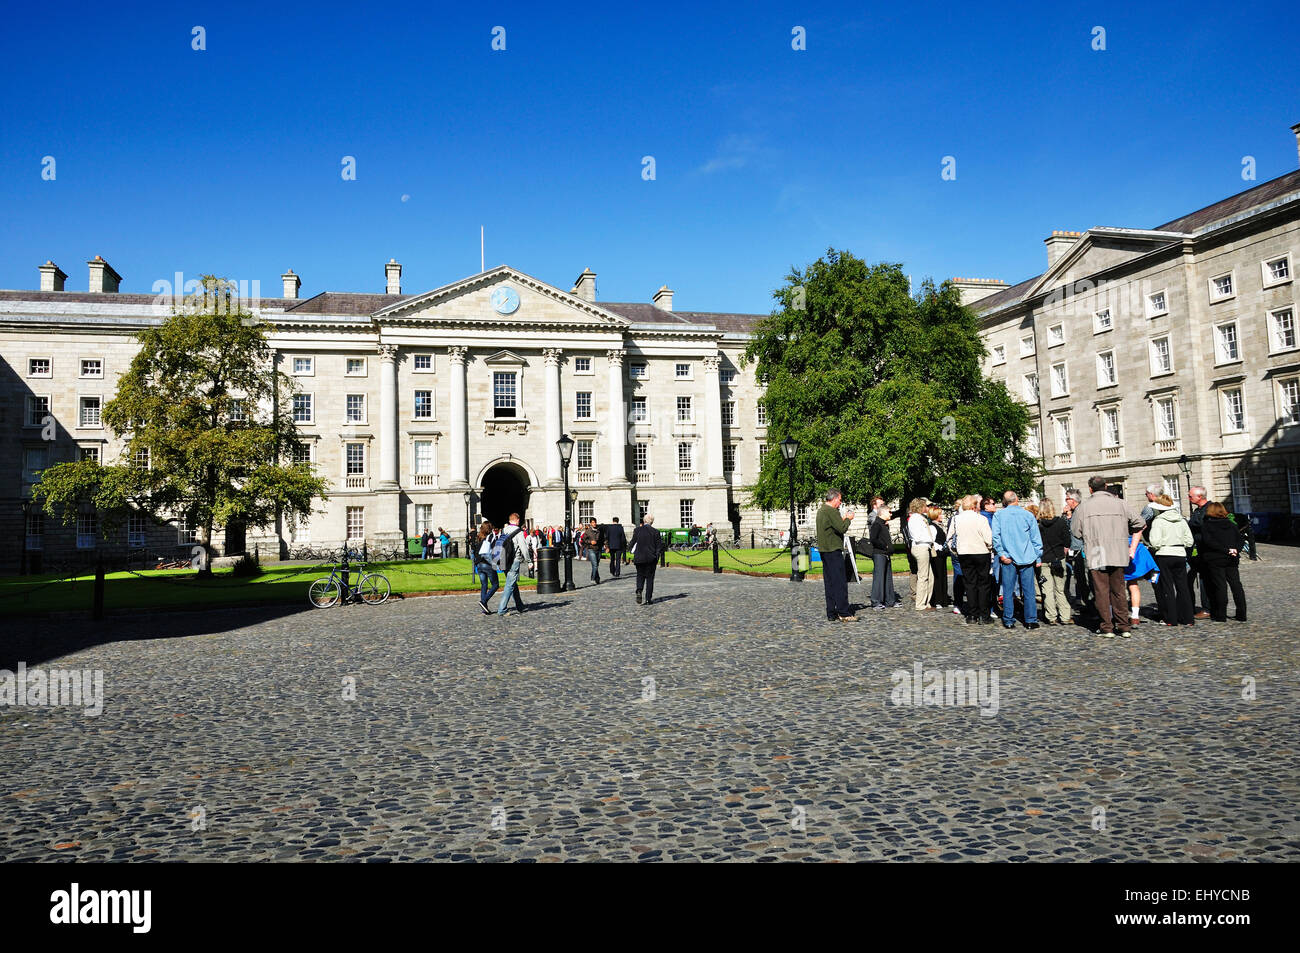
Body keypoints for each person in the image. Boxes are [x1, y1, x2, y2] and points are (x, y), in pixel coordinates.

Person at [1070, 476, 1144, 638]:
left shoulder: (1084, 507)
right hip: (1117, 549)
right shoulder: (1121, 503)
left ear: (1090, 489)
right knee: (1118, 589)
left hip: (1096, 550)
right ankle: (1124, 626)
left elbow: (1075, 532)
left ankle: (1107, 626)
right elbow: (1140, 523)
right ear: (1106, 486)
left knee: (1101, 590)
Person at [991, 491, 1043, 629]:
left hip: (1008, 558)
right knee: (1029, 591)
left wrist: (1001, 554)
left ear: (1004, 501)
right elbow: (1035, 539)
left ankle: (1008, 620)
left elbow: (996, 536)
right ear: (1017, 499)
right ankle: (1031, 620)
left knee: (1008, 591)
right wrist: (1038, 556)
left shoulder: (999, 515)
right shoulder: (1027, 515)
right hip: (1026, 557)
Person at [1146, 493, 1195, 627]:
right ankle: (1188, 618)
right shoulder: (1181, 519)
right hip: (1180, 554)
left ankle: (1171, 619)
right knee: (1183, 587)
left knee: (1167, 588)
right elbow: (1189, 541)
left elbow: (1155, 541)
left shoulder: (1158, 521)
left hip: (1164, 554)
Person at [1200, 502, 1247, 622]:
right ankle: (1241, 614)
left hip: (1216, 558)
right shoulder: (1231, 524)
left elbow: (1208, 542)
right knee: (1236, 585)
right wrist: (1235, 550)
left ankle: (1221, 615)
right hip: (1232, 558)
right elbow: (1240, 540)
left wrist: (1226, 550)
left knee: (1220, 586)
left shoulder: (1207, 525)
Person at [816, 489, 857, 622]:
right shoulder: (831, 511)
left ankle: (831, 612)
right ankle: (843, 612)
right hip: (833, 549)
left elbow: (833, 526)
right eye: (839, 499)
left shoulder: (822, 510)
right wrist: (849, 519)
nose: (840, 502)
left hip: (825, 550)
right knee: (839, 582)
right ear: (834, 499)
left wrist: (843, 518)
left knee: (830, 582)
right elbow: (841, 528)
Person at [953, 496, 994, 625]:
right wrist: (990, 548)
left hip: (964, 553)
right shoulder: (981, 519)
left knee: (970, 584)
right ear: (974, 505)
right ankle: (984, 614)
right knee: (983, 584)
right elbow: (988, 538)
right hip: (981, 552)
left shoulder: (957, 519)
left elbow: (952, 536)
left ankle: (972, 615)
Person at [1036, 498, 1071, 626]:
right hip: (1058, 558)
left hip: (1043, 559)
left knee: (1047, 590)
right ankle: (1065, 616)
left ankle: (1051, 617)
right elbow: (1067, 541)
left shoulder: (1037, 524)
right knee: (1060, 590)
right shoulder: (1061, 522)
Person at [496, 513, 528, 616]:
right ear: (517, 520)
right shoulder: (519, 532)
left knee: (512, 583)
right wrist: (529, 561)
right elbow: (523, 547)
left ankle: (520, 606)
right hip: (514, 559)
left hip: (504, 559)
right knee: (510, 585)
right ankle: (502, 609)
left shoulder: (504, 530)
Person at [906, 499, 936, 611]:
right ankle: (920, 604)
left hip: (925, 547)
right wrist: (931, 538)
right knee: (923, 576)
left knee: (930, 576)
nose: (927, 508)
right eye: (925, 506)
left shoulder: (920, 518)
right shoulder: (915, 519)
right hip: (920, 547)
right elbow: (917, 537)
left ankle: (926, 601)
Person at [1186, 485, 1210, 618]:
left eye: (1190, 496)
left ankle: (1207, 608)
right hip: (1195, 550)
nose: (1188, 498)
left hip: (1206, 550)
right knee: (1191, 579)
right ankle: (1191, 606)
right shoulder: (1197, 510)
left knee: (1205, 580)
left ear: (1199, 497)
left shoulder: (1210, 509)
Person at [1124, 533, 1158, 625]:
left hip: (1120, 545)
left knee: (1116, 585)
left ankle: (1118, 615)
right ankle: (1135, 616)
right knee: (1133, 584)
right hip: (1136, 546)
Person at [631, 513, 663, 605]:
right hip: (650, 558)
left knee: (640, 575)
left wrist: (631, 551)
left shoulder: (637, 530)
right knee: (650, 579)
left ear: (644, 521)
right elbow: (658, 547)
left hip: (639, 557)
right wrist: (656, 557)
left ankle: (639, 590)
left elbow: (633, 542)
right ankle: (648, 599)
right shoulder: (655, 532)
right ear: (652, 522)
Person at [868, 505, 897, 609]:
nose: (891, 514)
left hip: (886, 554)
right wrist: (884, 546)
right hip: (879, 553)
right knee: (879, 578)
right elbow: (873, 539)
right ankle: (876, 601)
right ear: (883, 513)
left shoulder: (883, 524)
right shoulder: (877, 524)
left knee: (888, 578)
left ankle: (890, 601)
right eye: (889, 512)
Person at [926, 505, 951, 608]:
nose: (941, 516)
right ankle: (937, 600)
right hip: (936, 554)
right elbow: (932, 540)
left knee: (943, 576)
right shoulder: (932, 526)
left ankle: (944, 599)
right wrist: (940, 547)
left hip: (942, 554)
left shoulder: (940, 525)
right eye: (940, 514)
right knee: (937, 577)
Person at [473, 522, 499, 613]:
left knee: (484, 585)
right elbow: (493, 552)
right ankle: (484, 601)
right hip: (487, 563)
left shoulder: (479, 538)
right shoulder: (491, 538)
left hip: (479, 564)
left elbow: (475, 552)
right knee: (495, 585)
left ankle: (484, 608)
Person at [947, 502, 965, 616]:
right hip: (960, 552)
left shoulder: (954, 519)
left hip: (959, 551)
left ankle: (958, 603)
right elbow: (949, 537)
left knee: (960, 577)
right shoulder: (955, 519)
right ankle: (958, 603)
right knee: (960, 577)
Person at [584, 518, 605, 584]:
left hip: (598, 549)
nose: (594, 523)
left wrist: (606, 545)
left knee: (596, 565)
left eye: (595, 522)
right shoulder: (587, 531)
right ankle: (592, 579)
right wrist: (590, 542)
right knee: (595, 565)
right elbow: (584, 540)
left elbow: (603, 538)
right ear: (590, 523)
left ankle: (597, 578)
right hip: (591, 549)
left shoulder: (599, 530)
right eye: (593, 522)